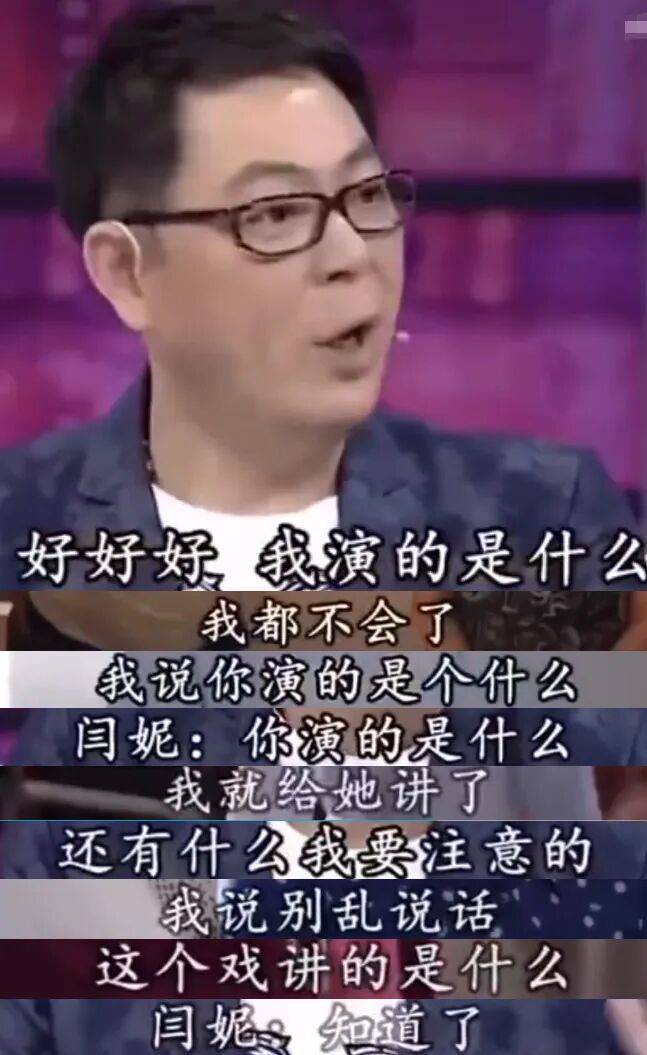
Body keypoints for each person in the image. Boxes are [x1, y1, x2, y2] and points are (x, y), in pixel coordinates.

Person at [0, 0, 638, 591]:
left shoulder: (543, 519)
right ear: (126, 273)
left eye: (368, 195)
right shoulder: (20, 529)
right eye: (277, 213)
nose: (352, 255)